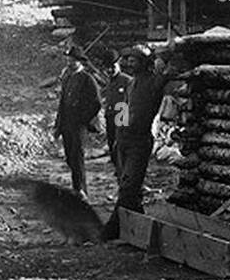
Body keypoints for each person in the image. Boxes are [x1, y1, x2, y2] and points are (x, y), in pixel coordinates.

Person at [103, 42, 174, 240]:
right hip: (124, 139)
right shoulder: (131, 82)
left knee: (129, 186)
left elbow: (170, 66)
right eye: (128, 59)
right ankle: (138, 228)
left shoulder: (155, 81)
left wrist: (161, 60)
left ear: (144, 62)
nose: (129, 63)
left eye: (134, 60)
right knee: (127, 185)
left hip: (140, 141)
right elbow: (123, 108)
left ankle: (113, 228)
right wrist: (117, 134)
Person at [53, 46, 101, 200]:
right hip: (67, 125)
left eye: (73, 60)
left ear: (80, 62)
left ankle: (81, 191)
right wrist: (57, 126)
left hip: (78, 126)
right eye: (68, 59)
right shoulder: (68, 78)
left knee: (77, 157)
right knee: (69, 157)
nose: (69, 62)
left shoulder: (87, 79)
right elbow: (62, 104)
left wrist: (84, 120)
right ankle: (76, 188)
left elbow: (96, 103)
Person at [103, 52, 131, 181]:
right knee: (111, 146)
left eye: (112, 67)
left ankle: (124, 172)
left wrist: (125, 121)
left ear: (118, 65)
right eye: (107, 68)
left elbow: (131, 102)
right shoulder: (109, 82)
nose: (110, 70)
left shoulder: (126, 80)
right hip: (110, 117)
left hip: (121, 117)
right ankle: (118, 170)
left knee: (120, 147)